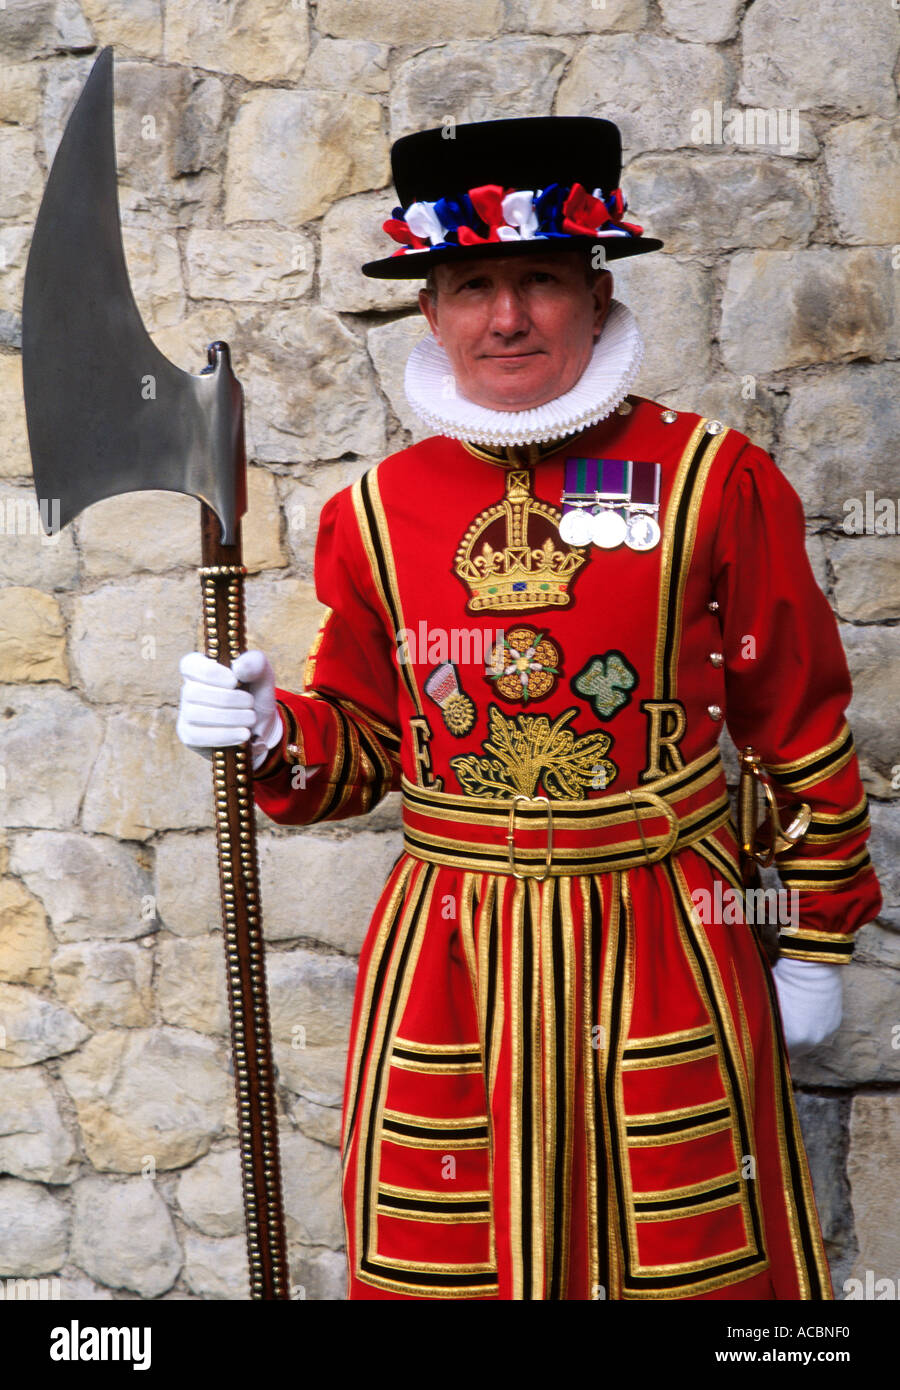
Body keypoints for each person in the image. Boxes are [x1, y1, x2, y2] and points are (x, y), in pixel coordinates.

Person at [176, 117, 882, 1300]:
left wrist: (811, 935)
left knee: (686, 1262)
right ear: (431, 309)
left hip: (669, 932)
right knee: (450, 1259)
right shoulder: (373, 513)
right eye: (473, 286)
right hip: (447, 952)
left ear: (595, 295)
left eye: (540, 281)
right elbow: (363, 750)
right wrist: (272, 729)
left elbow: (798, 719)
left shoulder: (715, 476)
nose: (506, 317)